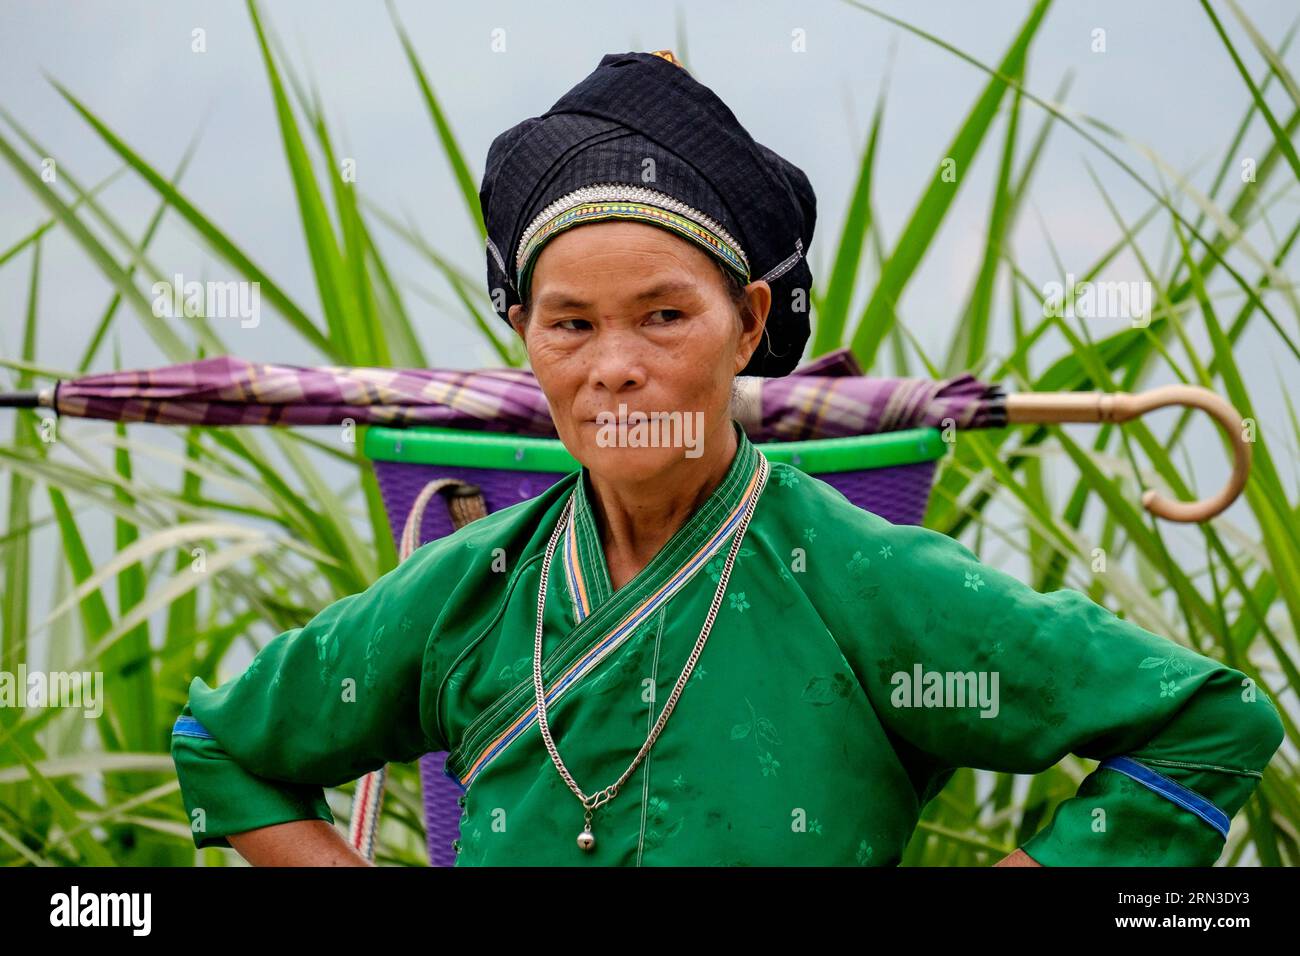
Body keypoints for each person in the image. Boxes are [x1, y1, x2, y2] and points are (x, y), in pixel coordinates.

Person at [170, 50, 1284, 867]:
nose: (614, 366)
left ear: (747, 324)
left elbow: (1206, 719)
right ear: (527, 342)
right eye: (569, 325)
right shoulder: (473, 586)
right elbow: (223, 743)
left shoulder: (859, 574)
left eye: (662, 316)